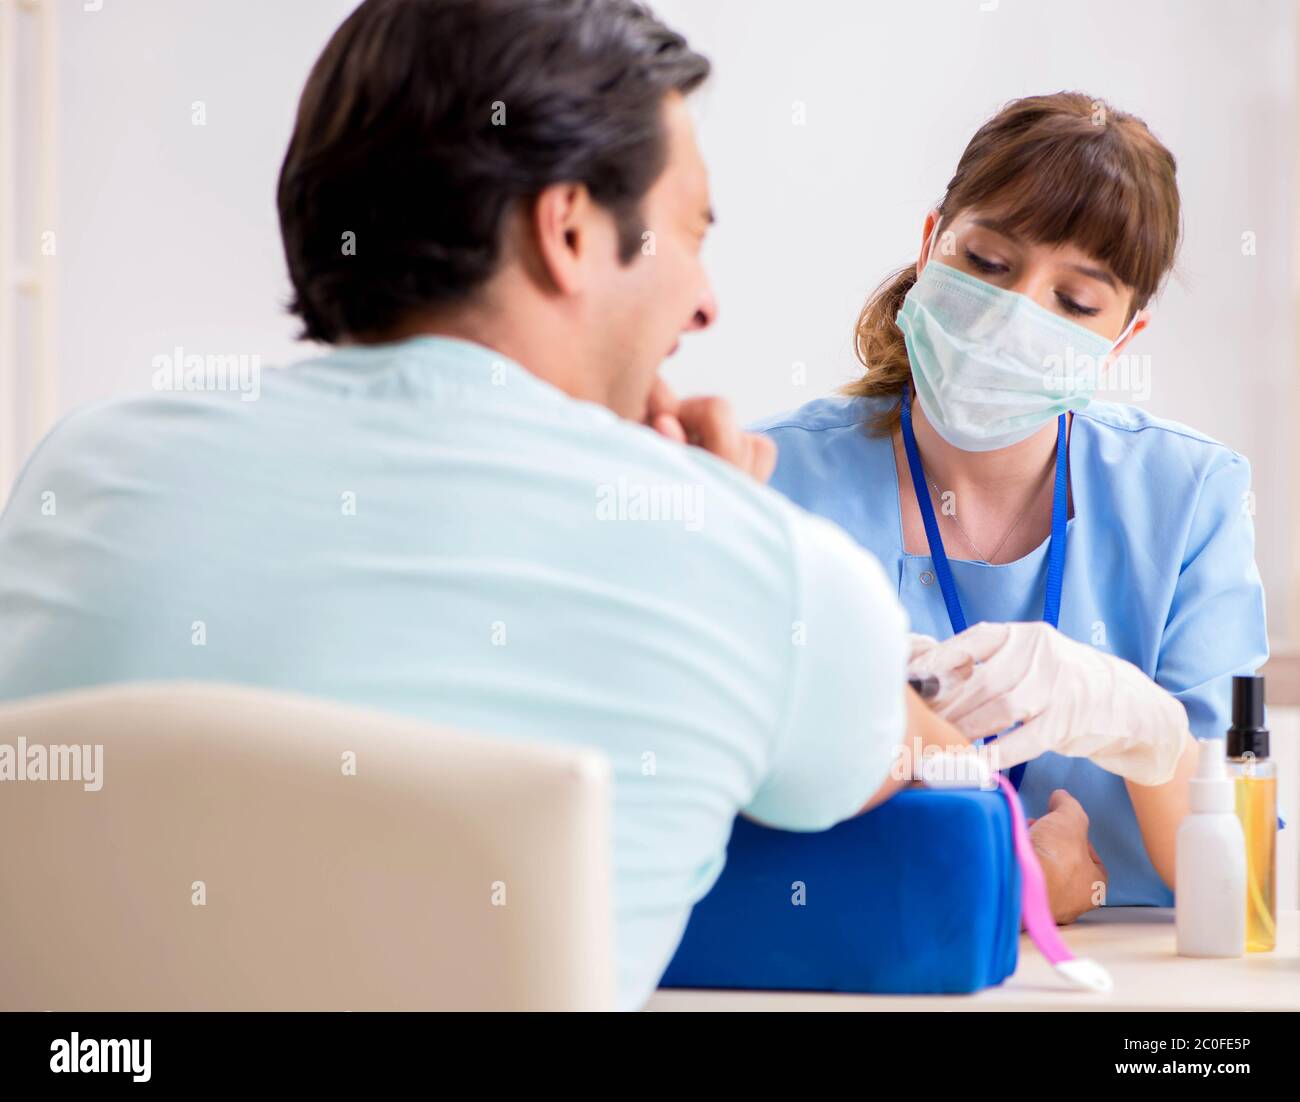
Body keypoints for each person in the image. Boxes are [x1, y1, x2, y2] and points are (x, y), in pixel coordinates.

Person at [0, 0, 963, 1010]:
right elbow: (953, 779)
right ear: (571, 229)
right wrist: (719, 536)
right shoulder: (753, 561)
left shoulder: (83, 468)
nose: (705, 300)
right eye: (690, 231)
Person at [755, 93, 1268, 922]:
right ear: (930, 246)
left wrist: (1148, 731)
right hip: (867, 951)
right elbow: (722, 824)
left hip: (1132, 986)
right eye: (989, 264)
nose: (1014, 314)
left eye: (1075, 303)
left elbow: (1241, 892)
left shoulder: (1187, 497)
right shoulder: (773, 479)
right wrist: (1018, 886)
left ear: (1121, 339)